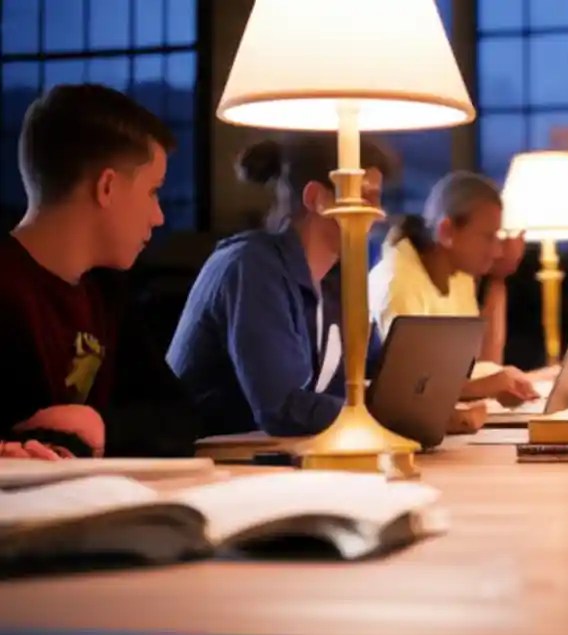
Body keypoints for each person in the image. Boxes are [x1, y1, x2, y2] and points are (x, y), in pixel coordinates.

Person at [0, 83, 199, 458]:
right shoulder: (8, 289)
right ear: (107, 187)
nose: (159, 216)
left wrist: (101, 425)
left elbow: (181, 416)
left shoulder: (106, 290)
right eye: (153, 191)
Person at [166, 135, 394, 437]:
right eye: (367, 197)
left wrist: (438, 400)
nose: (380, 213)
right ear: (317, 199)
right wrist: (389, 418)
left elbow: (379, 373)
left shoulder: (337, 282)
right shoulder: (251, 267)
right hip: (210, 468)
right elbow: (282, 409)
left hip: (276, 464)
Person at [369, 170, 540, 407]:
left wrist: (498, 279)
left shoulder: (459, 275)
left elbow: (480, 365)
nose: (497, 251)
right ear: (447, 231)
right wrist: (489, 385)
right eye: (488, 237)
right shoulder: (398, 281)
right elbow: (411, 389)